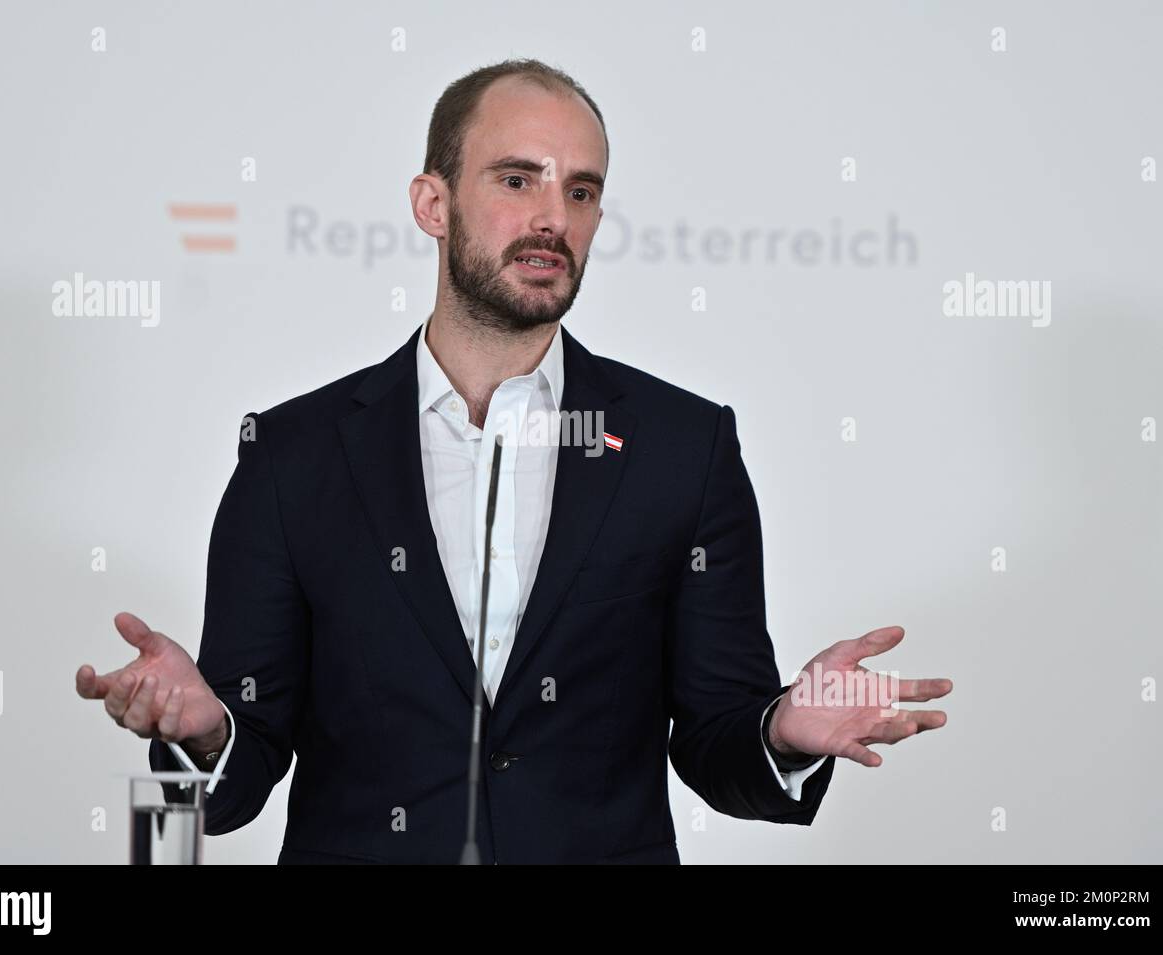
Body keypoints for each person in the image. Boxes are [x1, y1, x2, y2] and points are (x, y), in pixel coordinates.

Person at [75, 58, 952, 864]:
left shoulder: (685, 448)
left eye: (580, 191)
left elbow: (718, 739)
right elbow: (233, 778)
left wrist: (784, 733)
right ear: (432, 203)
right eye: (515, 179)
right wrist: (200, 730)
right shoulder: (291, 454)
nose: (551, 218)